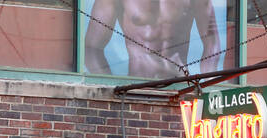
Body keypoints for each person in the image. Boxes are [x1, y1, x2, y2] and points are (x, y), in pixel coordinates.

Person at [84, 0, 222, 79]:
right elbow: (91, 48)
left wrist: (206, 84)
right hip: (136, 85)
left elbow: (212, 43)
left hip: (178, 82)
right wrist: (108, 85)